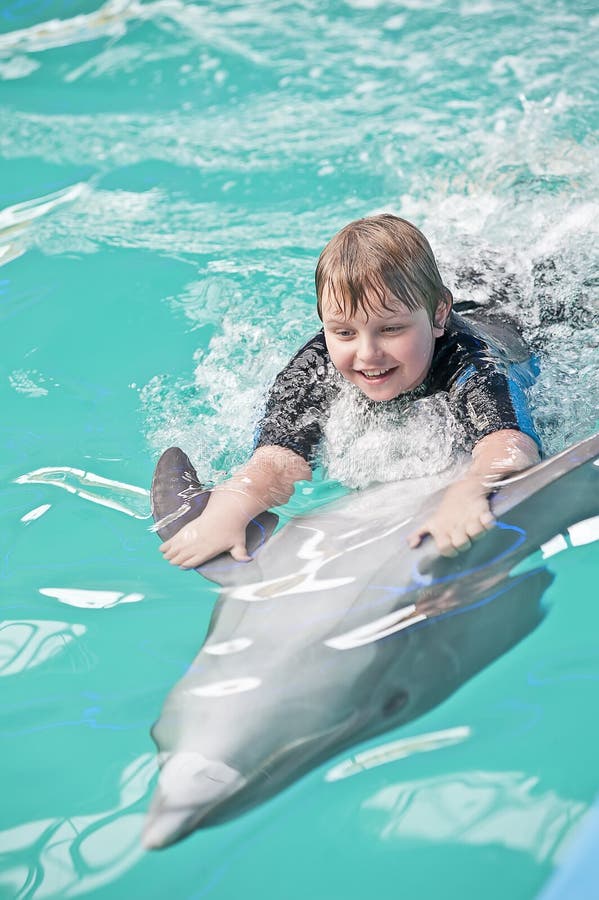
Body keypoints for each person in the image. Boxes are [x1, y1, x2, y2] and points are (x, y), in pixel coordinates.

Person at [159, 214, 541, 570]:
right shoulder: (315, 366)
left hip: (513, 313)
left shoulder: (471, 361)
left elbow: (508, 445)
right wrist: (234, 503)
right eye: (343, 332)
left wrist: (472, 488)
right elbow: (277, 461)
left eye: (391, 329)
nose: (367, 353)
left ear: (439, 314)